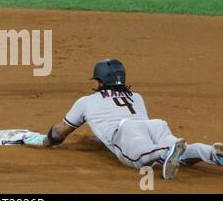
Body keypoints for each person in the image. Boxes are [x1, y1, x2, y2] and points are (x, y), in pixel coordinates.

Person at [23, 58, 222, 180]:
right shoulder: (137, 97)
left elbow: (59, 132)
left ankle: (166, 150)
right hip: (155, 126)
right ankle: (212, 152)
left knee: (140, 159)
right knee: (183, 153)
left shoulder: (86, 101)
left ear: (100, 82)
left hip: (127, 132)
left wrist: (46, 141)